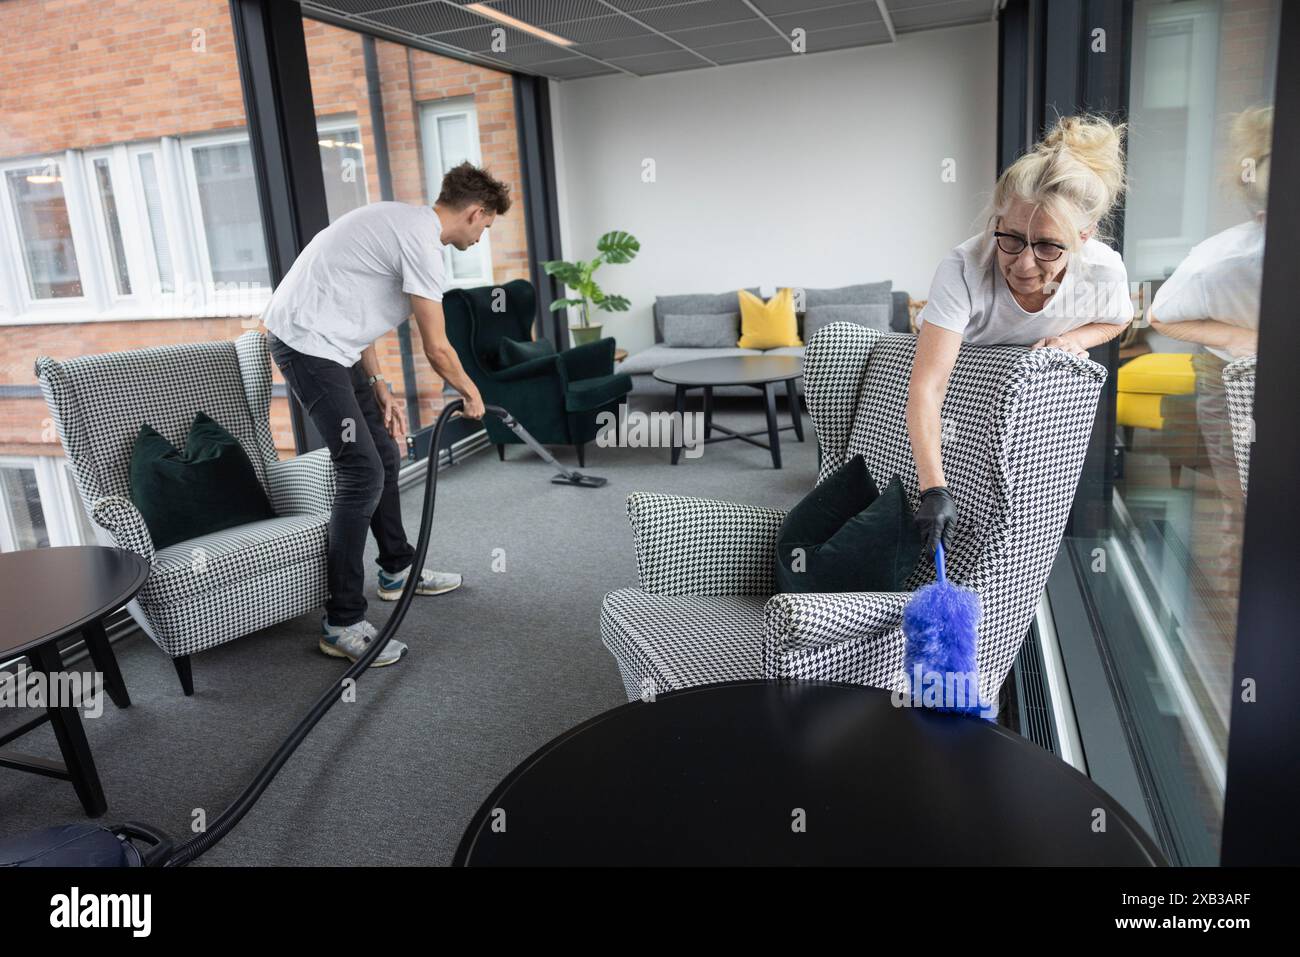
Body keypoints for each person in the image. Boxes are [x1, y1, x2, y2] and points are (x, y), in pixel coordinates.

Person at [261, 162, 503, 667]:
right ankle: (342, 622)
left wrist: (376, 382)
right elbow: (437, 349)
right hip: (307, 346)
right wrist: (471, 392)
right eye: (487, 225)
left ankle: (396, 570)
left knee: (385, 455)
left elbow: (355, 302)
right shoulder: (421, 243)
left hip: (333, 345)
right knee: (362, 470)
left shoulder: (403, 223)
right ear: (475, 212)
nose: (484, 236)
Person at [909, 115, 1134, 552]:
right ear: (998, 218)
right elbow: (929, 385)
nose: (1023, 264)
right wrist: (933, 490)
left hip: (1018, 401)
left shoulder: (1103, 271)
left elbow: (1118, 319)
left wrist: (1075, 340)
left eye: (1048, 246)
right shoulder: (964, 268)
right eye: (1010, 237)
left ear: (1083, 237)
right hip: (954, 385)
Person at [1147, 106, 1272, 555]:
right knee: (1239, 488)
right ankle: (1235, 536)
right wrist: (1239, 339)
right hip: (1226, 373)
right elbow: (1160, 315)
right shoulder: (1219, 259)